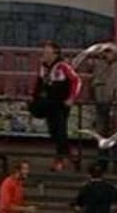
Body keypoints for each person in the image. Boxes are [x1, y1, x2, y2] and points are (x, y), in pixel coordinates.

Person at [33, 41, 82, 171]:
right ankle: (71, 153)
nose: (44, 54)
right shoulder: (43, 67)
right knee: (53, 132)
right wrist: (35, 99)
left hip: (61, 104)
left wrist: (71, 98)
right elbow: (38, 85)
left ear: (55, 54)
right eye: (44, 52)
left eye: (47, 52)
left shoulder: (63, 66)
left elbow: (76, 81)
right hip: (49, 103)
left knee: (60, 131)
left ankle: (59, 161)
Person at [87, 44, 117, 166]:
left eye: (109, 52)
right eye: (105, 52)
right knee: (101, 131)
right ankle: (102, 159)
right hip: (101, 102)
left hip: (115, 103)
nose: (106, 55)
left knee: (115, 131)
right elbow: (94, 81)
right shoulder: (99, 65)